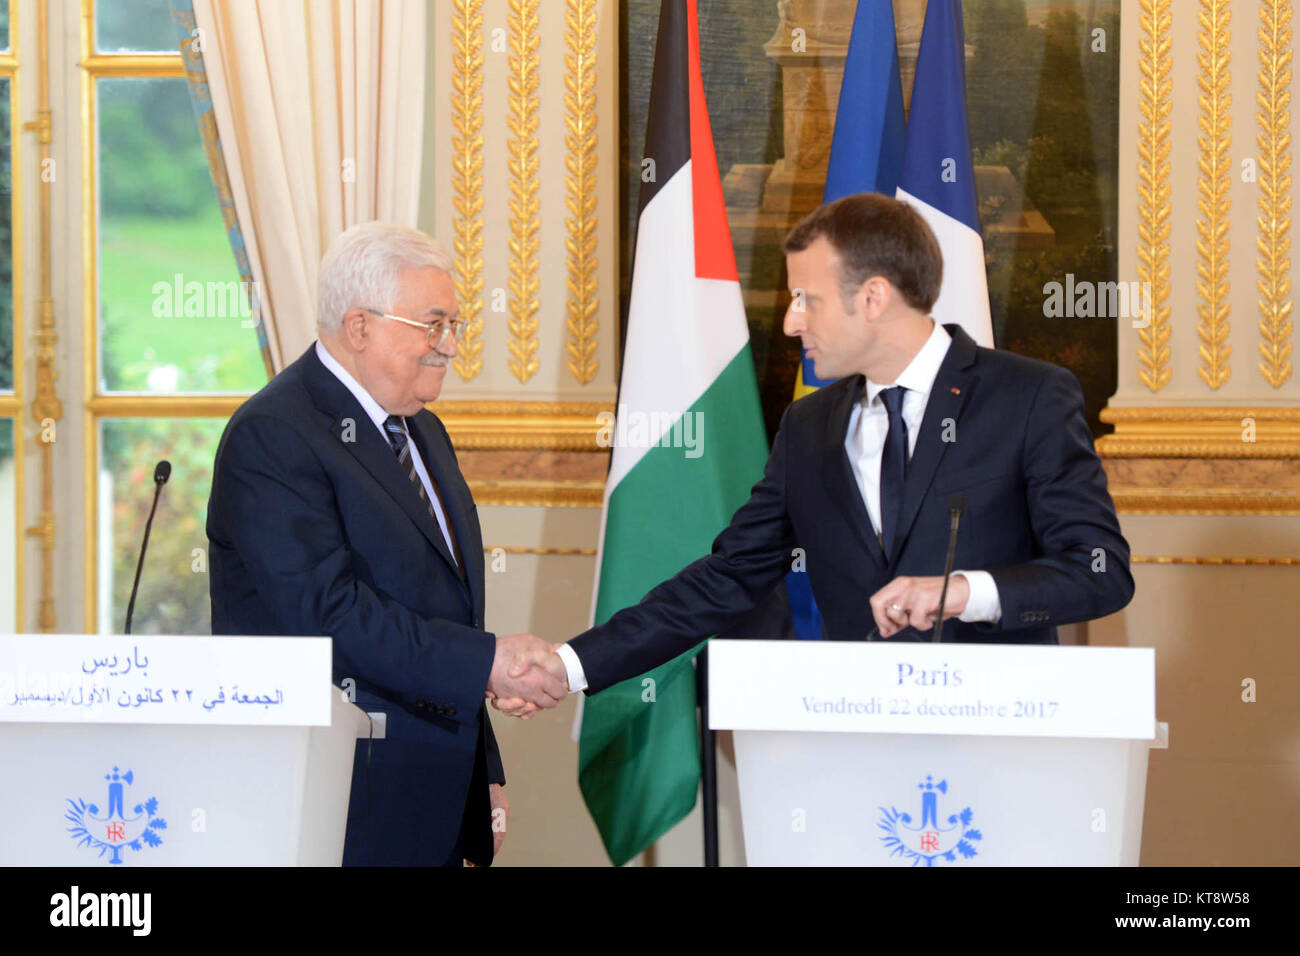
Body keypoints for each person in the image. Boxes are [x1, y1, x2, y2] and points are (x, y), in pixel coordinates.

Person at [494, 192, 1135, 707]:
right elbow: (728, 578)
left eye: (807, 299)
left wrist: (964, 591)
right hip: (850, 744)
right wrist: (568, 664)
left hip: (1007, 739)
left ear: (874, 297)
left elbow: (1099, 570)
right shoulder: (808, 427)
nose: (791, 321)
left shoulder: (1028, 398)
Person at [206, 222, 564, 865]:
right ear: (360, 326)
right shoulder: (274, 435)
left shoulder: (422, 433)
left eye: (454, 325)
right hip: (339, 798)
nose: (451, 346)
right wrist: (486, 663)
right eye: (433, 325)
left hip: (434, 784)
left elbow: (448, 614)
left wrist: (481, 766)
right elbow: (327, 614)